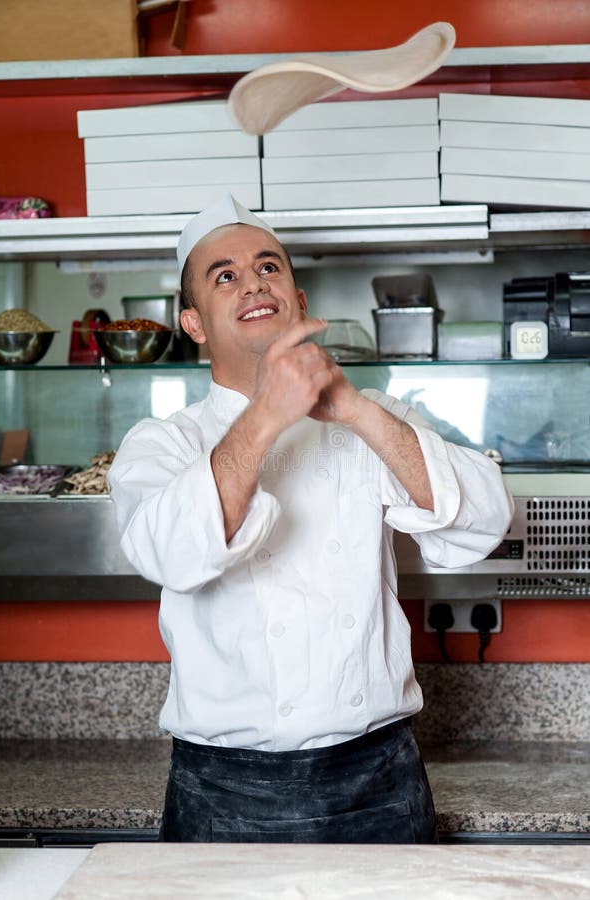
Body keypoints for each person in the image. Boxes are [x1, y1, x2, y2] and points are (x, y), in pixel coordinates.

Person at [108, 193, 513, 844]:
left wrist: (353, 409)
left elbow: (483, 520)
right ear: (194, 324)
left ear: (297, 301)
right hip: (221, 789)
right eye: (225, 276)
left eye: (269, 268)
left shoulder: (372, 414)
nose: (253, 283)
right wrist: (268, 411)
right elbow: (173, 553)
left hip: (378, 776)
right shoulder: (161, 443)